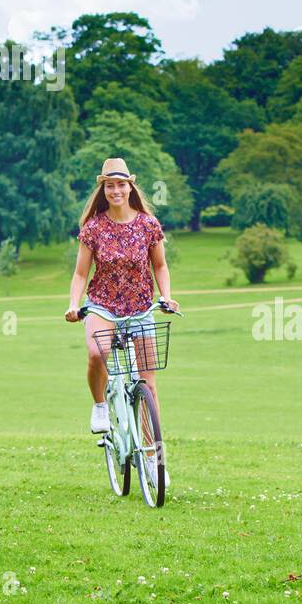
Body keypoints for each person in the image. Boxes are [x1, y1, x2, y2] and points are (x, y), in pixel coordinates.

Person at [65, 157, 179, 435]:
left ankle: (153, 456)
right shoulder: (93, 228)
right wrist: (73, 304)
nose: (115, 191)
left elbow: (160, 266)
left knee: (148, 386)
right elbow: (81, 273)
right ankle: (100, 405)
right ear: (103, 190)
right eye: (109, 186)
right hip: (102, 306)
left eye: (120, 185)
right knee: (96, 354)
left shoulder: (148, 225)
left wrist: (166, 297)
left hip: (140, 308)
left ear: (130, 188)